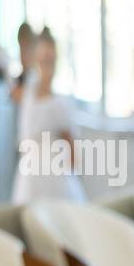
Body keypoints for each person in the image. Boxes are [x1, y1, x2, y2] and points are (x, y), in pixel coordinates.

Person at [13, 27, 84, 203]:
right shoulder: (27, 93)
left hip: (53, 181)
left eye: (51, 60)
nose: (47, 66)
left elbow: (73, 155)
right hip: (29, 178)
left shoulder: (60, 105)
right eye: (44, 60)